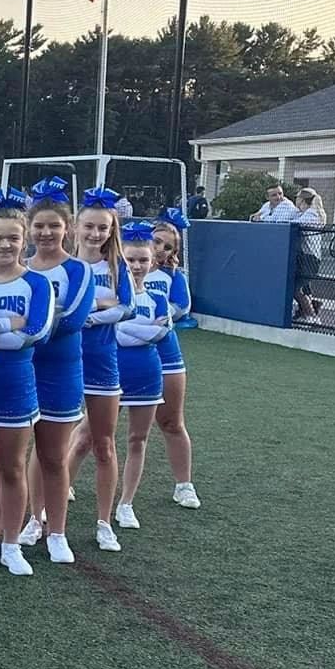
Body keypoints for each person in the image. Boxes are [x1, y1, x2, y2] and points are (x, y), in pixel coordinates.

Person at [0, 191, 56, 574]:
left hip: (15, 383)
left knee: (12, 467)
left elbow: (36, 332)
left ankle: (11, 541)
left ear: (25, 241)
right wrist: (5, 327)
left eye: (13, 238)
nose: (5, 245)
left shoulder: (37, 285)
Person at [18, 177, 92, 564]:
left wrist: (23, 328)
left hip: (60, 371)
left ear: (68, 227)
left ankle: (58, 531)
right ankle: (32, 519)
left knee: (53, 454)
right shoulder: (19, 267)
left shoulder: (78, 270)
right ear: (29, 228)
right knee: (19, 455)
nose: (46, 232)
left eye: (53, 225)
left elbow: (73, 320)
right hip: (17, 371)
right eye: (39, 225)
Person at [66, 187, 132, 552]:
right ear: (76, 227)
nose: (95, 234)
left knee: (104, 444)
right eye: (89, 227)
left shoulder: (116, 266)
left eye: (103, 229)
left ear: (111, 231)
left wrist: (90, 314)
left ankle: (104, 522)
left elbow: (128, 307)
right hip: (62, 363)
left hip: (103, 361)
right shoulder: (63, 265)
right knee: (50, 446)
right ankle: (38, 516)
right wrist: (101, 304)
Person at [108, 222, 174, 529]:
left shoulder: (159, 299)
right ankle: (62, 487)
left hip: (148, 374)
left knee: (138, 439)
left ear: (152, 262)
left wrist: (141, 331)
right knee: (88, 437)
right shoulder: (115, 295)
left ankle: (126, 503)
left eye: (142, 260)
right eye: (130, 260)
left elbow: (162, 334)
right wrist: (149, 331)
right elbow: (119, 335)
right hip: (112, 372)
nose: (136, 266)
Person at [150, 209, 201, 509]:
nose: (160, 250)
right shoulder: (123, 268)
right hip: (124, 355)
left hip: (166, 355)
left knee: (171, 422)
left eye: (168, 246)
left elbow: (181, 306)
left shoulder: (173, 276)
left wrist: (157, 315)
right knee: (97, 427)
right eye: (156, 241)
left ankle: (184, 484)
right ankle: (65, 479)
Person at [292, 187, 327, 323]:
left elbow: (293, 224)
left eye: (298, 199)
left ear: (302, 200)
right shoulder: (305, 213)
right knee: (304, 288)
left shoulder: (311, 214)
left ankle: (312, 317)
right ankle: (311, 308)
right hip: (305, 257)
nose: (296, 201)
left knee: (295, 289)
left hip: (310, 258)